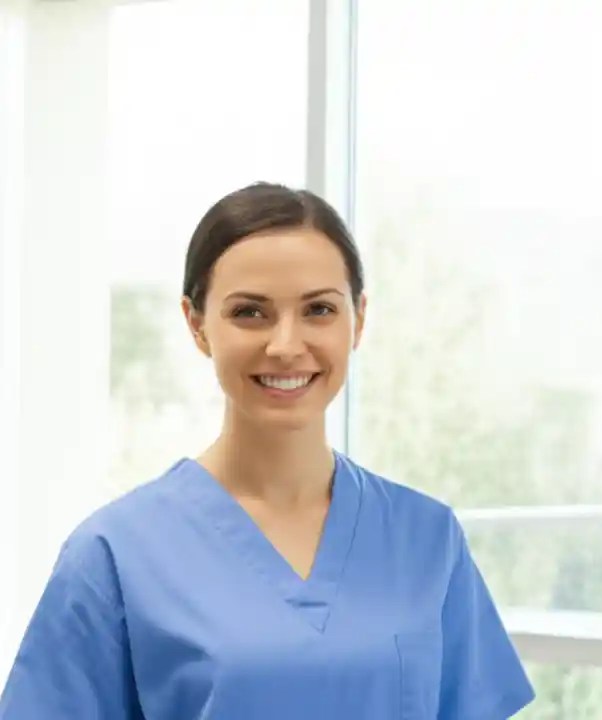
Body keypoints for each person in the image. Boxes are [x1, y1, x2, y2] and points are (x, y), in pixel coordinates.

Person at [0, 182, 536, 719]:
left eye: (320, 309)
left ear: (359, 319)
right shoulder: (114, 554)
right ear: (197, 324)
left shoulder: (427, 538)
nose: (285, 345)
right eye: (250, 313)